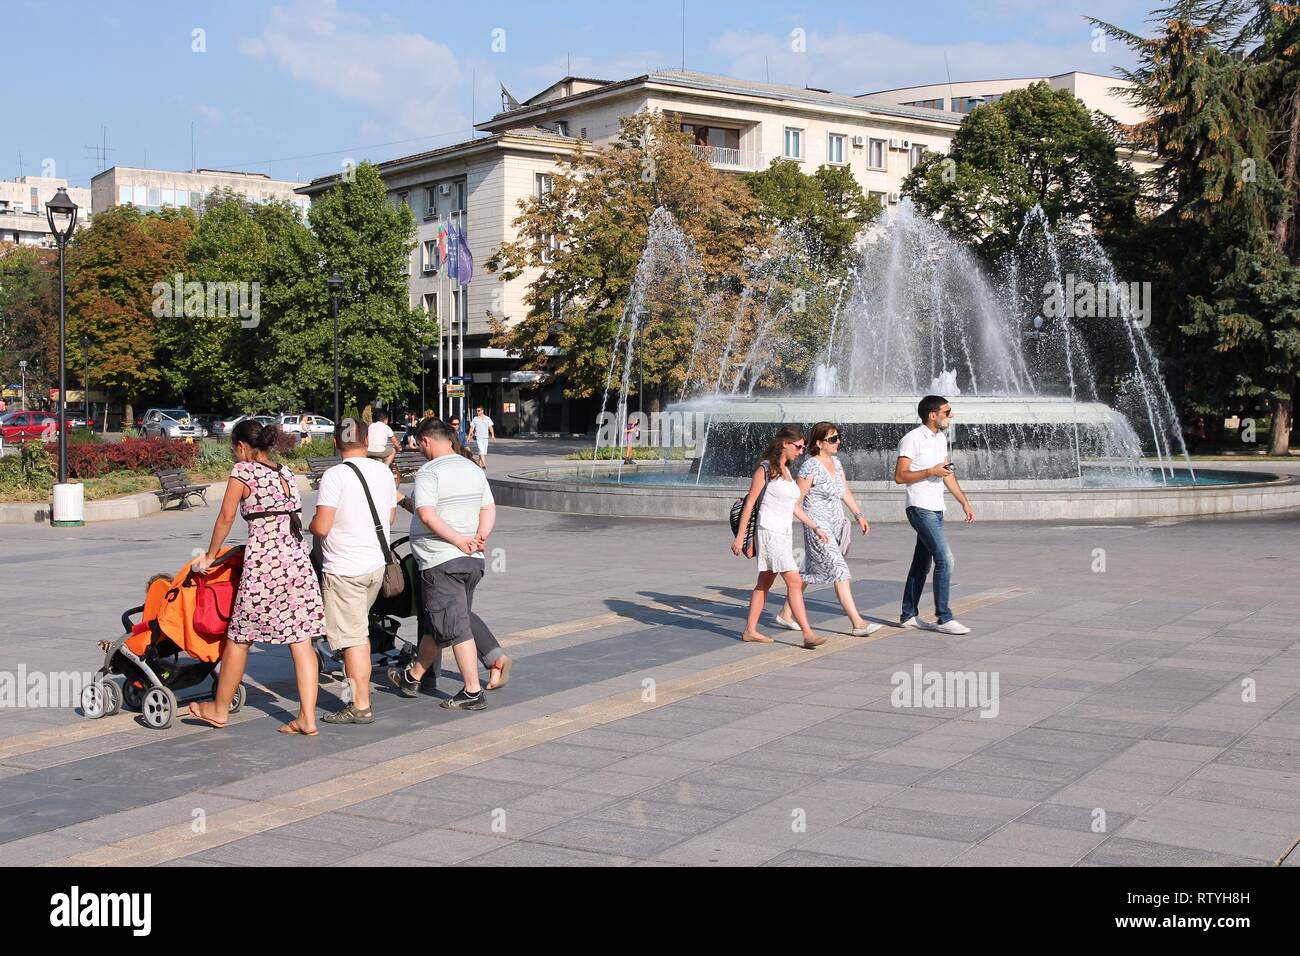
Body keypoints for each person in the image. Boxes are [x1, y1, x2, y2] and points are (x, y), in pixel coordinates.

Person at [188, 419, 325, 734]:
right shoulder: (285, 472)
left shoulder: (243, 472)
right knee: (301, 639)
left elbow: (226, 516)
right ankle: (307, 717)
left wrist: (210, 555)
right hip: (297, 562)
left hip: (266, 565)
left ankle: (219, 709)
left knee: (239, 637)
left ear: (240, 447)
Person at [387, 417, 497, 710]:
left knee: (454, 625)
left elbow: (427, 515)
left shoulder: (429, 472)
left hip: (442, 559)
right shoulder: (472, 468)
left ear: (425, 441)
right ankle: (413, 676)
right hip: (472, 559)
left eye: (418, 445)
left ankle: (472, 692)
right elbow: (488, 507)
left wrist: (459, 540)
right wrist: (479, 537)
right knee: (441, 623)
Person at [308, 417, 398, 725]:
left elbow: (321, 526)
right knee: (358, 632)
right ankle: (360, 698)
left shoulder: (335, 475)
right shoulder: (383, 472)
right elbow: (391, 518)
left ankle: (360, 704)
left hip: (345, 569)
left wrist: (307, 525)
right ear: (366, 441)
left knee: (354, 639)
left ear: (336, 443)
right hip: (375, 565)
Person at [778, 422, 883, 637]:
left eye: (838, 437)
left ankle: (785, 614)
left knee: (810, 570)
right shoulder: (810, 466)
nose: (838, 442)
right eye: (832, 439)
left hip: (836, 525)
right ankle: (858, 623)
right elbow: (796, 501)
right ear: (819, 443)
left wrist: (859, 514)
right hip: (818, 527)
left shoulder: (836, 462)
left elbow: (844, 491)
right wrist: (812, 526)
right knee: (840, 570)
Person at [731, 425, 827, 649]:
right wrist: (741, 537)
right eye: (798, 446)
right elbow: (750, 504)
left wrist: (815, 527)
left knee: (764, 582)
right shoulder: (765, 469)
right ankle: (808, 633)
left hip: (783, 533)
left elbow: (793, 506)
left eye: (803, 447)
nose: (801, 450)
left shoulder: (786, 469)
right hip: (769, 532)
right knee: (794, 581)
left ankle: (750, 630)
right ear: (784, 443)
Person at [894, 395, 975, 635]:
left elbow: (947, 473)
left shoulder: (940, 439)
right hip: (919, 507)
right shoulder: (912, 439)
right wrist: (930, 471)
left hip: (936, 508)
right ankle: (944, 617)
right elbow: (900, 476)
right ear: (933, 415)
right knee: (946, 559)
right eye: (947, 412)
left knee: (922, 563)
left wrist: (964, 502)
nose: (951, 416)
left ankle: (908, 615)